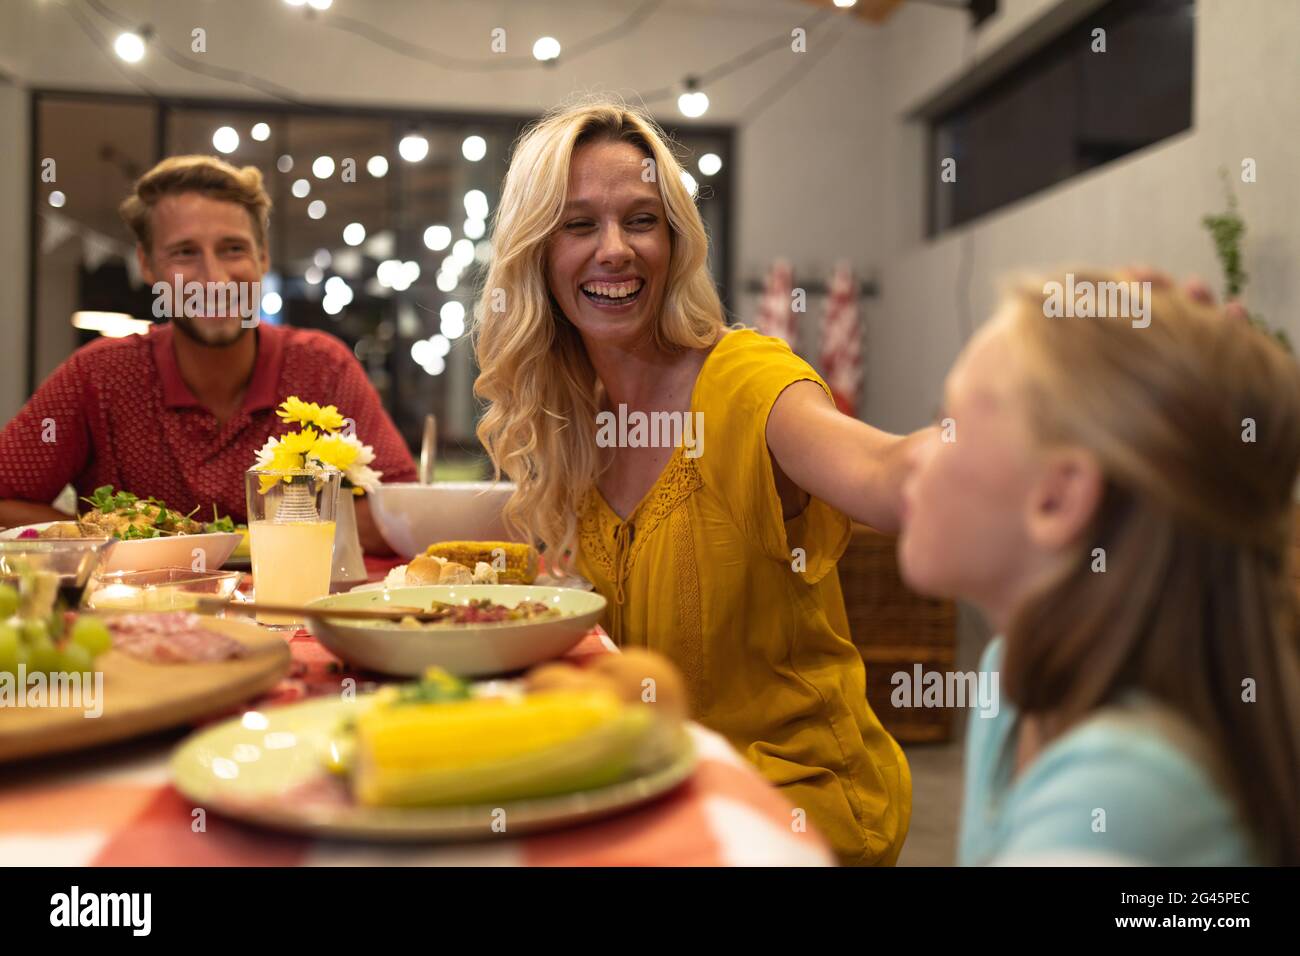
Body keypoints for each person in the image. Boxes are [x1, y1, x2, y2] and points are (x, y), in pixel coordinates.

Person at [474, 98, 926, 865]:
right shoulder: (571, 419)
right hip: (652, 799)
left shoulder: (747, 381)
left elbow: (887, 473)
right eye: (579, 225)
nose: (614, 250)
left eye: (641, 220)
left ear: (676, 240)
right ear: (537, 254)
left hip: (793, 810)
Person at [897, 269, 1300, 865]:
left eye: (946, 422)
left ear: (1058, 497)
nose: (914, 456)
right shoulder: (1010, 671)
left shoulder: (1127, 796)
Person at [0, 155, 415, 550]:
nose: (214, 279)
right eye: (185, 253)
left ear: (262, 257)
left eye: (233, 249)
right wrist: (111, 535)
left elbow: (402, 513)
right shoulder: (99, 374)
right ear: (147, 265)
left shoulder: (321, 367)